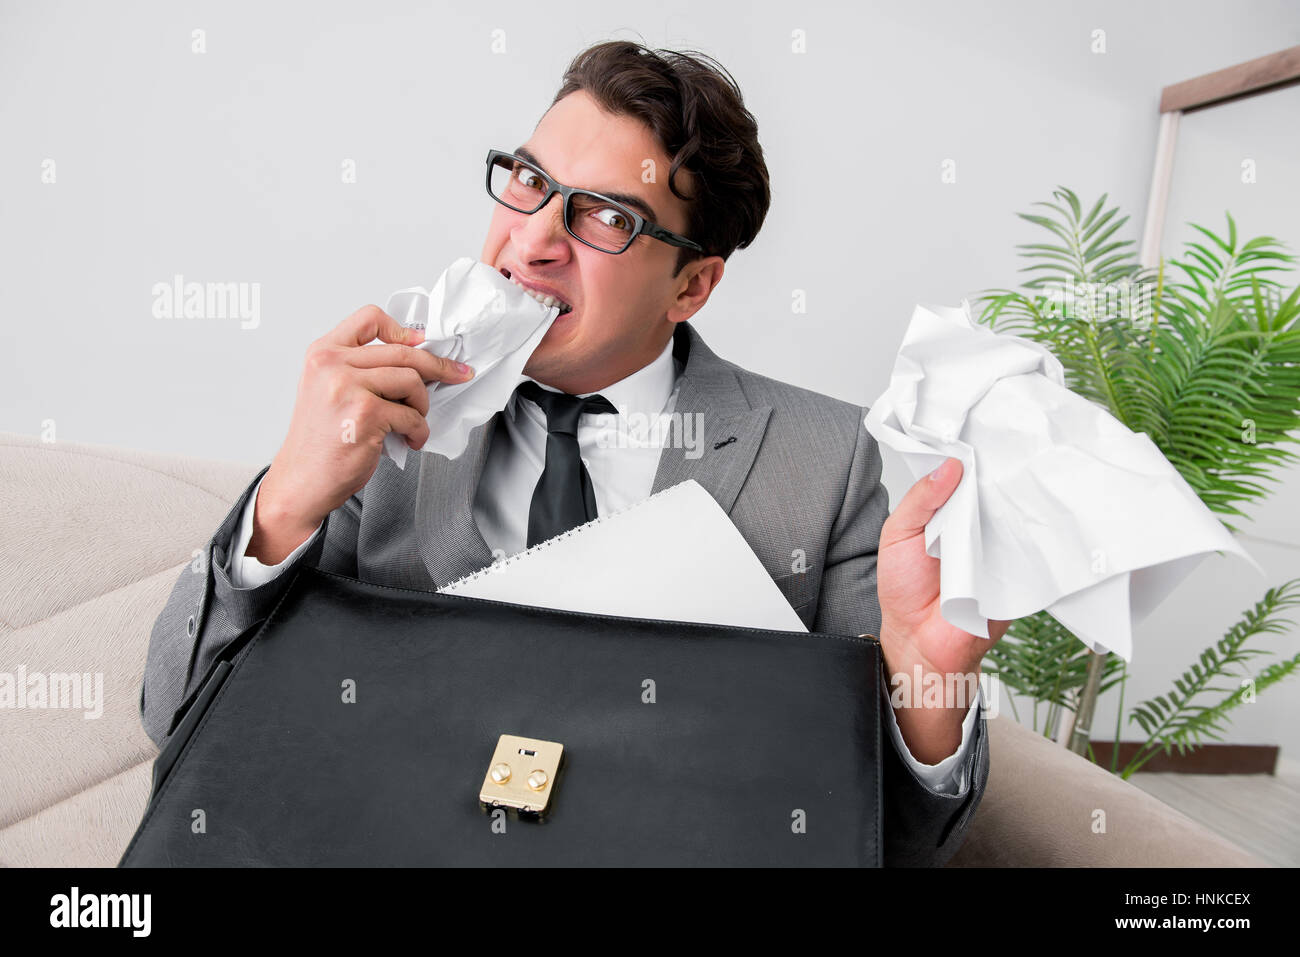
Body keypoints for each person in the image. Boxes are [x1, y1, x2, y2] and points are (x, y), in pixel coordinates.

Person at [139, 39, 1009, 866]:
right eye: (529, 179)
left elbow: (886, 844)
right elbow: (172, 711)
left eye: (606, 215)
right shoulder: (382, 417)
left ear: (692, 285)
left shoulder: (824, 463)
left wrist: (926, 687)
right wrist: (286, 498)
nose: (534, 239)